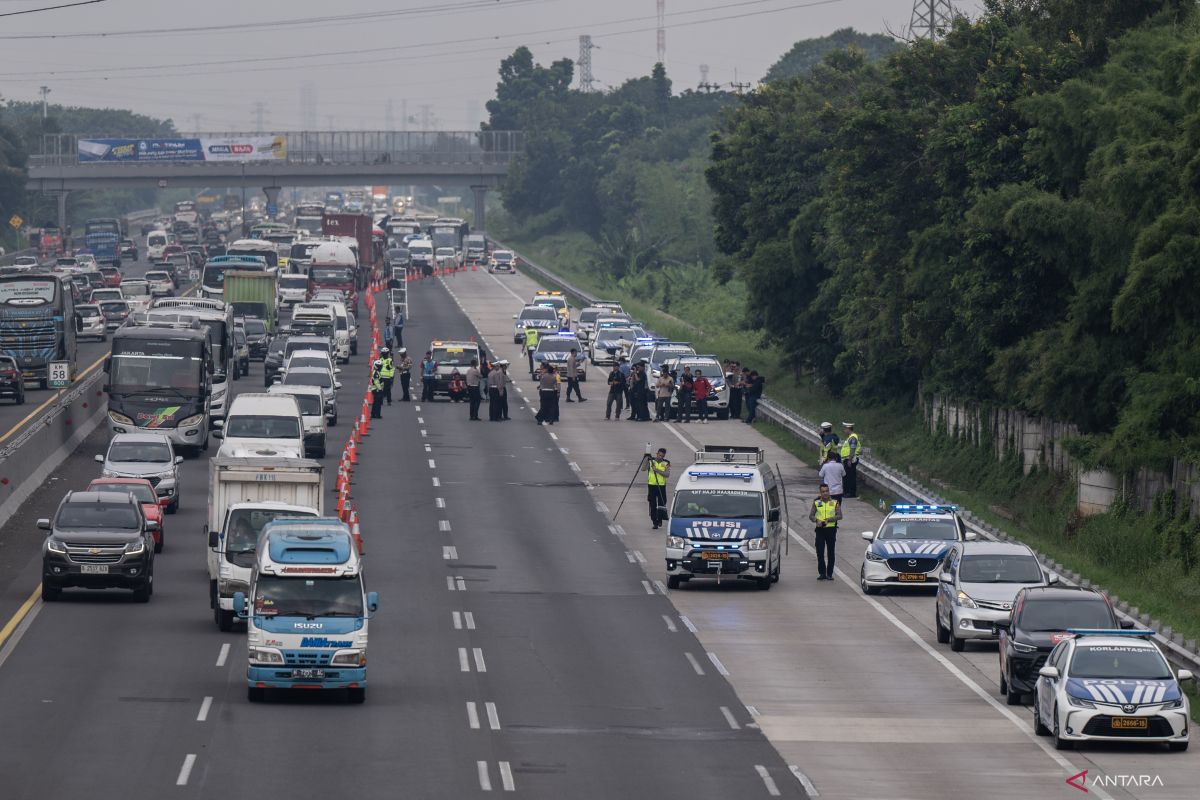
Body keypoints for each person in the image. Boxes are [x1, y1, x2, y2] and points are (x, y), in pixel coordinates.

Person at [808, 483, 842, 580]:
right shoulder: (816, 502)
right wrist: (816, 520)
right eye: (823, 491)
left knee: (831, 552)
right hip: (820, 530)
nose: (825, 493)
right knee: (820, 551)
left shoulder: (835, 502)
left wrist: (829, 520)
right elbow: (811, 516)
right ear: (820, 492)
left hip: (831, 530)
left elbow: (840, 516)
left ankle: (829, 574)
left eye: (827, 491)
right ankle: (822, 573)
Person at [647, 448, 671, 529]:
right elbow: (643, 468)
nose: (660, 457)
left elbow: (667, 474)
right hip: (651, 485)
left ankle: (660, 519)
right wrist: (645, 459)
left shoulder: (666, 463)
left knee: (662, 504)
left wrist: (657, 470)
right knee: (653, 504)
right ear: (657, 453)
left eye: (662, 456)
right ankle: (655, 522)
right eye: (659, 455)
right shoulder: (651, 461)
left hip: (661, 486)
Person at [840, 422, 861, 498]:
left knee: (850, 477)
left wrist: (849, 459)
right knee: (847, 476)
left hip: (850, 460)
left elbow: (852, 449)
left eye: (845, 429)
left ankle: (851, 493)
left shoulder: (853, 438)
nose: (844, 430)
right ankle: (847, 492)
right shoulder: (850, 437)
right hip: (847, 459)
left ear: (848, 429)